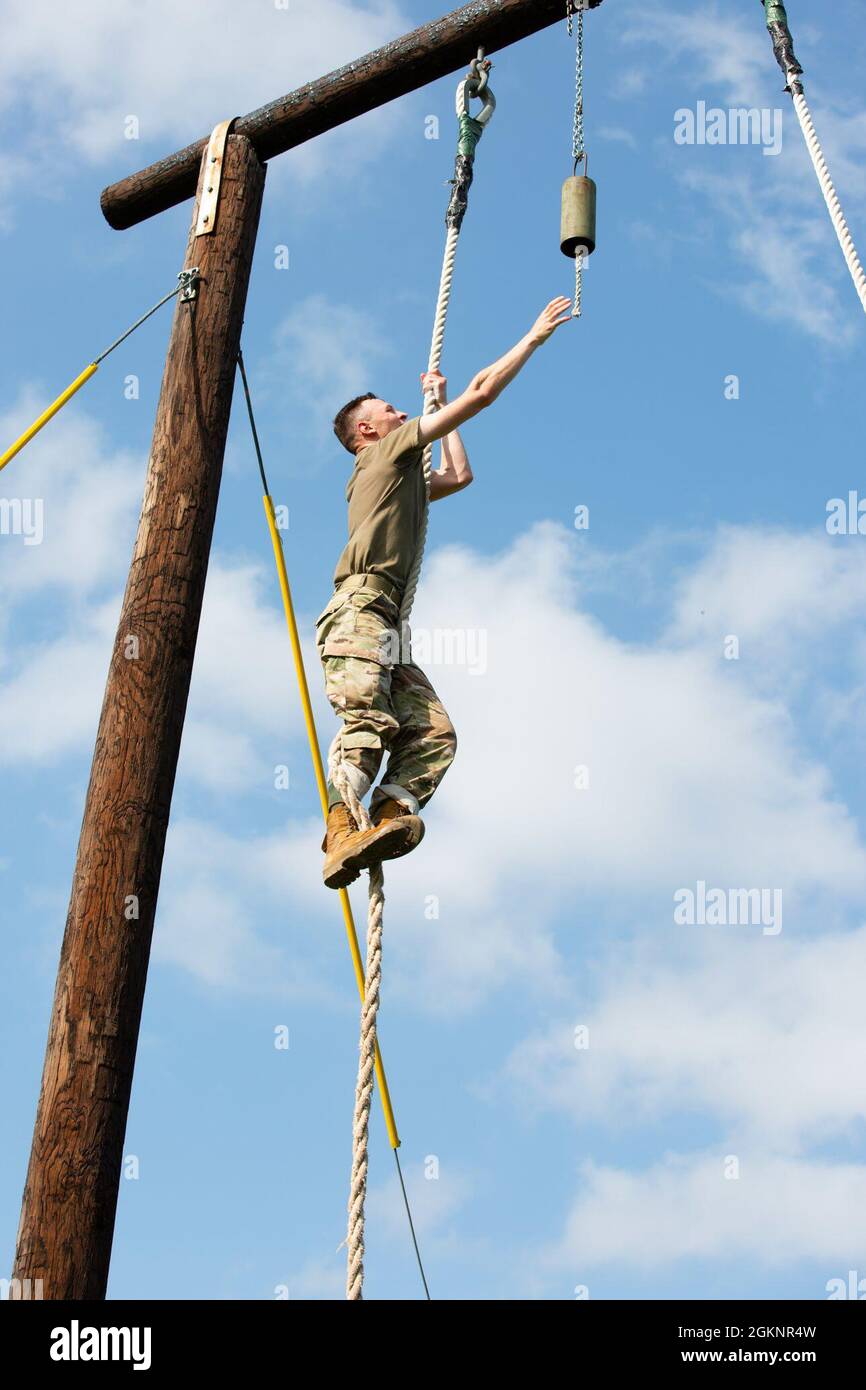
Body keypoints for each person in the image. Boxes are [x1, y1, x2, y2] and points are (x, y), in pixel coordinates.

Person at [317, 295, 573, 888]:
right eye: (390, 408)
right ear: (366, 430)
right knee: (366, 718)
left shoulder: (402, 476)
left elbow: (458, 476)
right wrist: (530, 338)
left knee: (433, 733)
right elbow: (482, 395)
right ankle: (342, 824)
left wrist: (435, 407)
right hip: (360, 609)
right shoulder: (383, 456)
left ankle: (387, 810)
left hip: (387, 621)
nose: (400, 412)